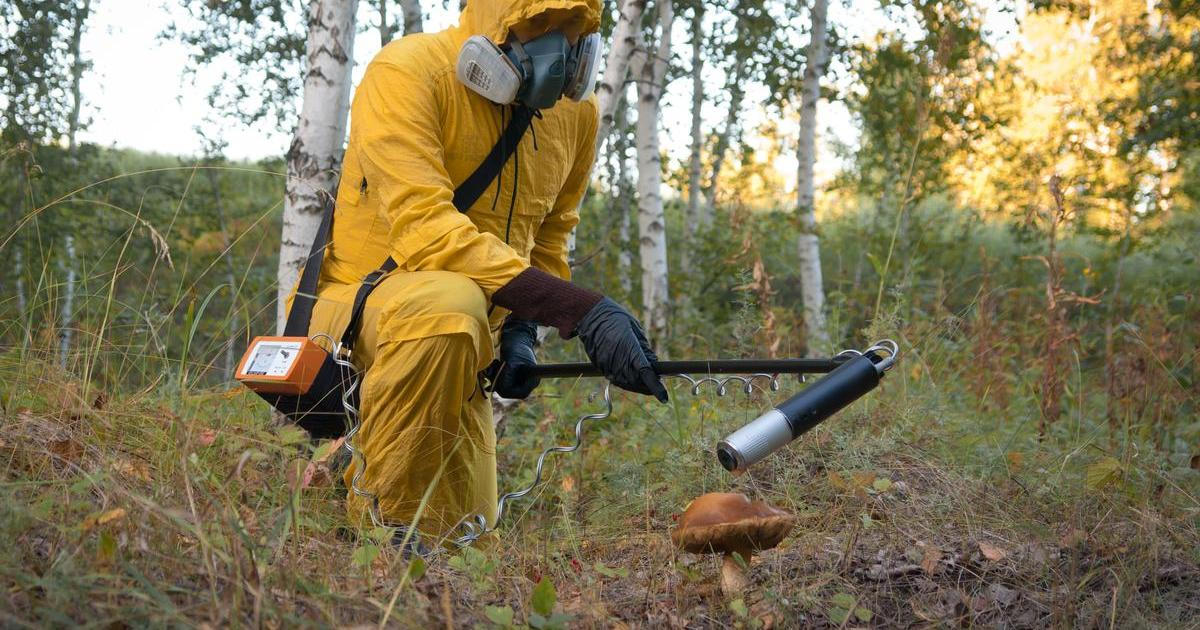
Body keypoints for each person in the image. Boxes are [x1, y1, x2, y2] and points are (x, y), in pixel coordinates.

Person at [301, 0, 667, 544]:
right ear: (497, 20)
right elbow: (424, 228)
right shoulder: (406, 72)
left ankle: (355, 506)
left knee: (468, 540)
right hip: (358, 316)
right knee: (449, 306)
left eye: (572, 30)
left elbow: (548, 238)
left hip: (463, 334)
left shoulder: (576, 117)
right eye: (540, 24)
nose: (560, 48)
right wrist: (578, 308)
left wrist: (520, 334)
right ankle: (382, 549)